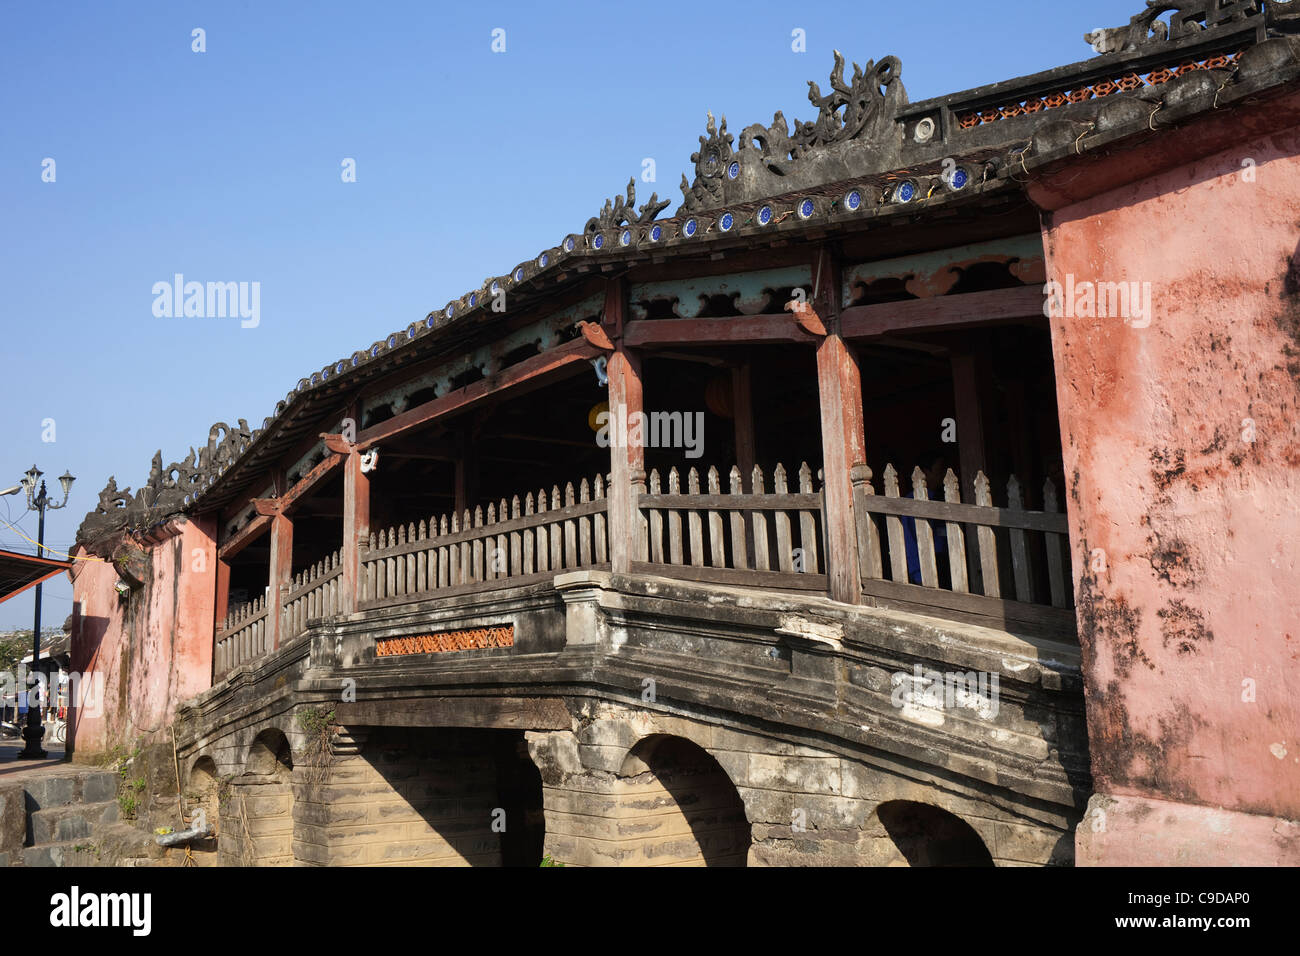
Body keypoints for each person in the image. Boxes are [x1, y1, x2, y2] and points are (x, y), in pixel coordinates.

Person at [901, 449, 951, 586]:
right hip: (926, 563)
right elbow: (909, 540)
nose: (942, 475)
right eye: (939, 470)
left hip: (948, 561)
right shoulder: (911, 501)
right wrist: (918, 574)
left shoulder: (944, 498)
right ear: (925, 472)